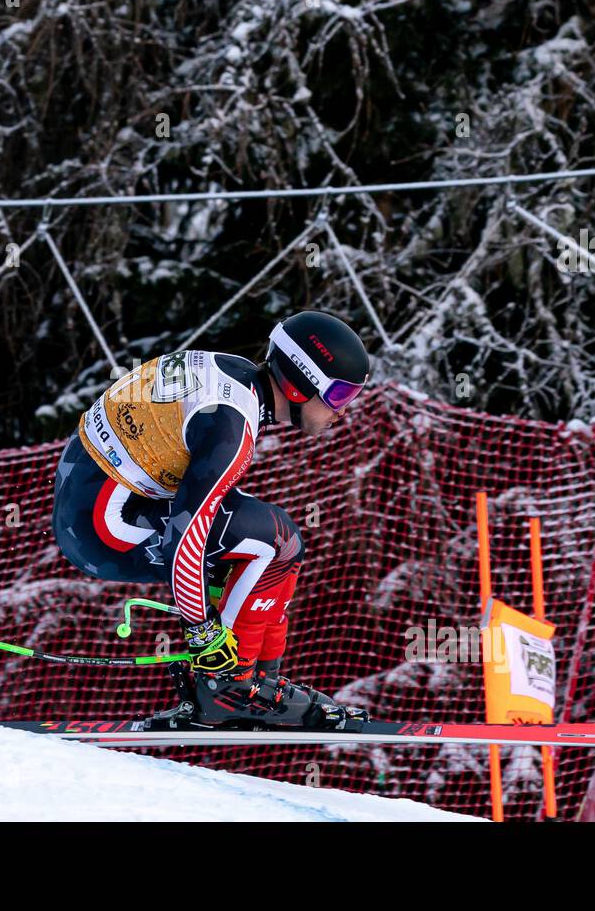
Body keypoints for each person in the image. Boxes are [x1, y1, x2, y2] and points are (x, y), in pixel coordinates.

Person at [50, 310, 371, 727]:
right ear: (298, 384)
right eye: (339, 396)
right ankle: (231, 689)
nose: (342, 413)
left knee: (264, 542)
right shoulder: (231, 423)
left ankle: (258, 684)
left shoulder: (237, 379)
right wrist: (201, 633)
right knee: (277, 542)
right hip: (103, 527)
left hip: (94, 499)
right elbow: (185, 539)